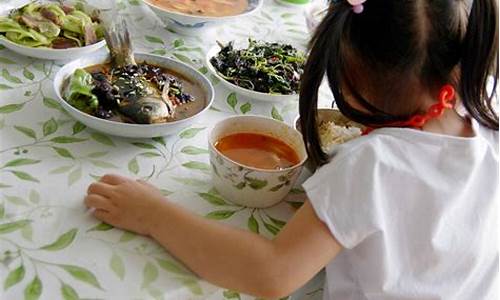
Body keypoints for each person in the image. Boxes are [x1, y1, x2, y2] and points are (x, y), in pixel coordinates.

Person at [84, 0, 499, 299]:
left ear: (348, 75)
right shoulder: (487, 121)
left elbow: (271, 273)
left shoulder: (372, 164)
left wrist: (153, 215)